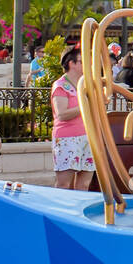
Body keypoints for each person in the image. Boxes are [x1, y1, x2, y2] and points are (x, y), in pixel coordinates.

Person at [50, 48, 95, 190]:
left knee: (84, 183)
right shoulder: (60, 86)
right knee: (64, 183)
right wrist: (84, 105)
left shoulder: (86, 85)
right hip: (67, 138)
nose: (87, 65)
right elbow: (62, 114)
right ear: (71, 63)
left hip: (87, 137)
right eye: (82, 62)